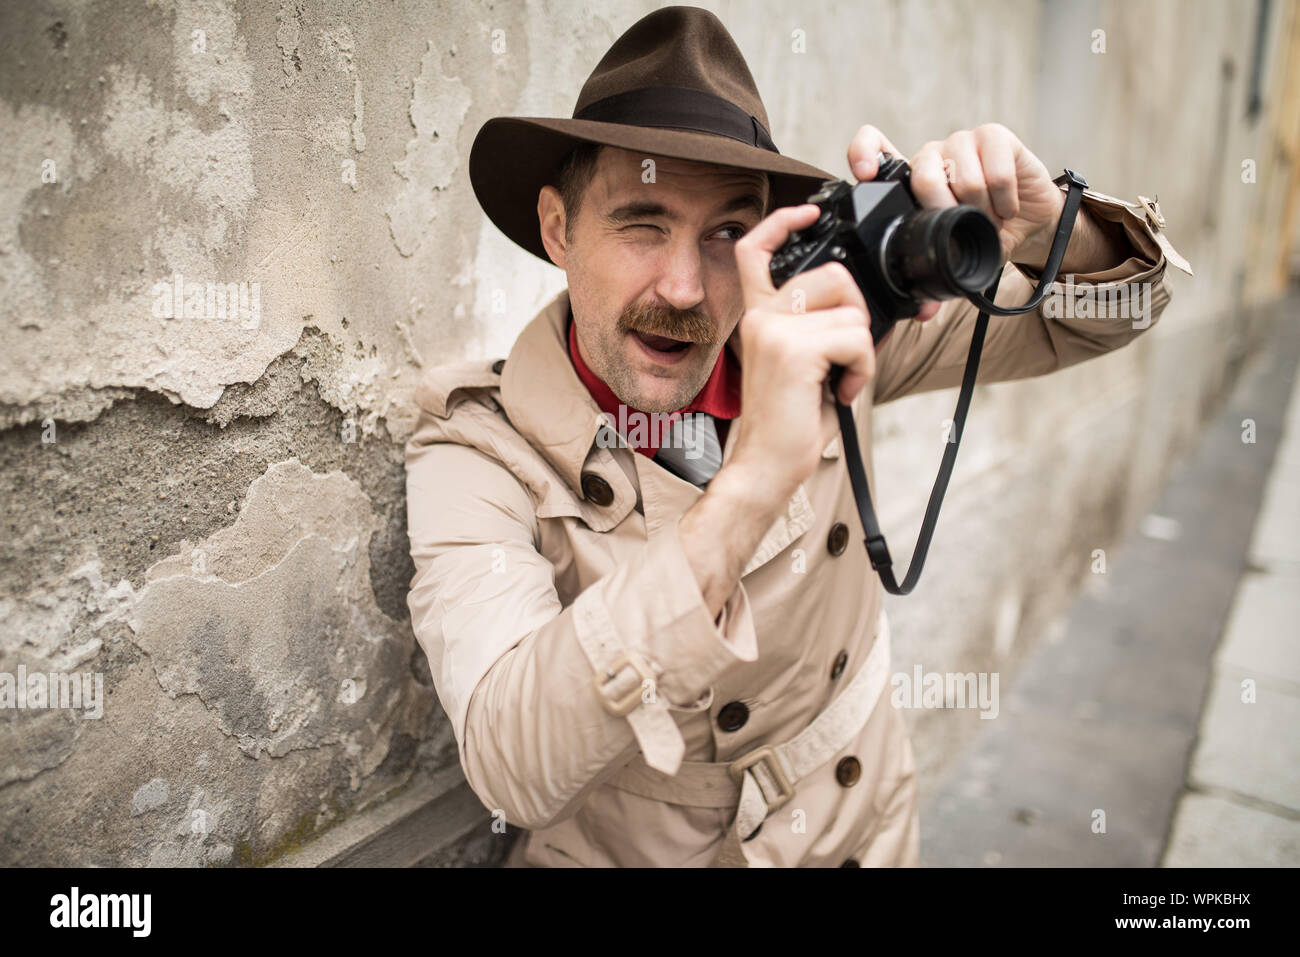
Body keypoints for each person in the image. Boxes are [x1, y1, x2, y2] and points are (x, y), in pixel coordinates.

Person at [404, 5, 1191, 867]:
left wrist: (1051, 227)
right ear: (558, 227)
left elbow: (1105, 317)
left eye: (727, 234)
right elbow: (512, 765)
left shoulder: (825, 332)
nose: (683, 286)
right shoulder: (475, 450)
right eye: (642, 222)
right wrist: (751, 486)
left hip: (861, 823)